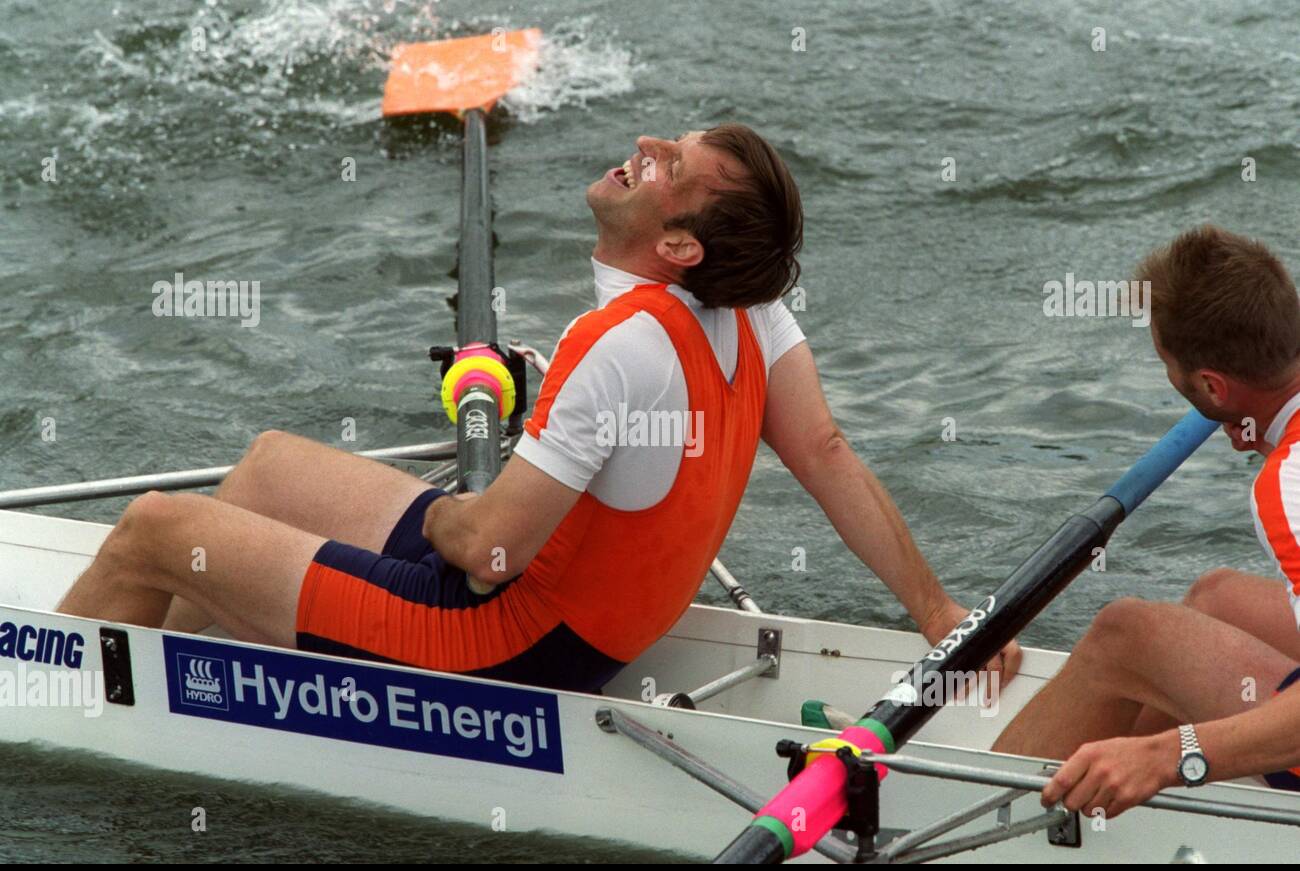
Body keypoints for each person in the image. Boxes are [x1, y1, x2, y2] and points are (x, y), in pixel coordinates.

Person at [59, 124, 1000, 693]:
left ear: (677, 247)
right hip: (575, 603)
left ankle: (41, 702)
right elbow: (827, 451)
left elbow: (479, 551)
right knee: (266, 466)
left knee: (151, 527)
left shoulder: (617, 345)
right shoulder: (754, 310)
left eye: (670, 163)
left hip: (504, 648)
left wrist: (485, 484)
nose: (645, 147)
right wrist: (939, 612)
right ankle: (176, 688)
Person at [993, 224, 1300, 816]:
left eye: (1167, 363)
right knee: (1216, 598)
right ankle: (1105, 798)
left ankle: (976, 826)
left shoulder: (1288, 484)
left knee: (1125, 634)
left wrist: (1170, 755)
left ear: (1212, 385)